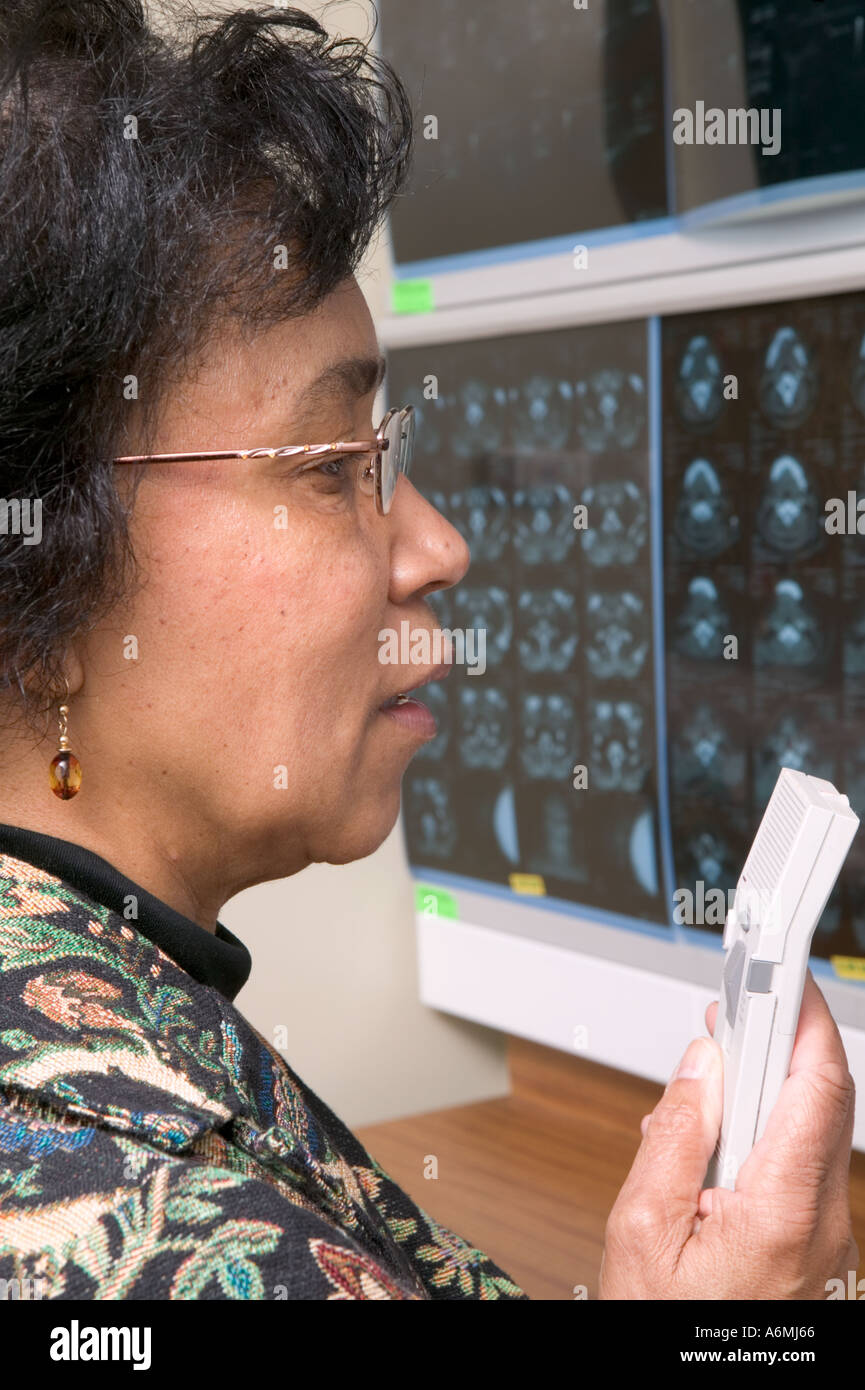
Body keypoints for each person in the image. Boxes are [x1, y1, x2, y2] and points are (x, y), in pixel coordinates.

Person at [0, 0, 857, 1301]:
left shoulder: (107, 1005)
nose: (437, 545)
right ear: (33, 597)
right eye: (336, 463)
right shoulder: (128, 1203)